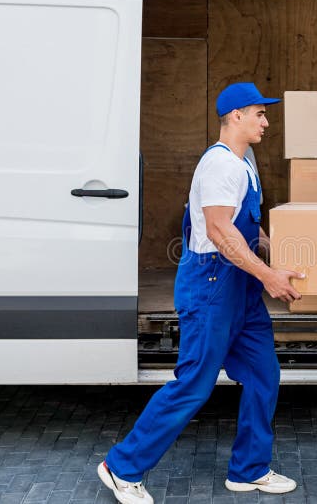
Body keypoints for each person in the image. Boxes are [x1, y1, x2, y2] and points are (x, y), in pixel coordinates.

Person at [98, 82, 304, 504]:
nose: (266, 122)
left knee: (263, 374)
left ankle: (248, 469)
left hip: (240, 288)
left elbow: (246, 225)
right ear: (236, 116)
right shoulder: (220, 166)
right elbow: (219, 231)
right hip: (212, 285)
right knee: (194, 383)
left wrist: (274, 254)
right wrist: (268, 276)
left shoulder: (244, 164)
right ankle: (121, 467)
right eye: (260, 113)